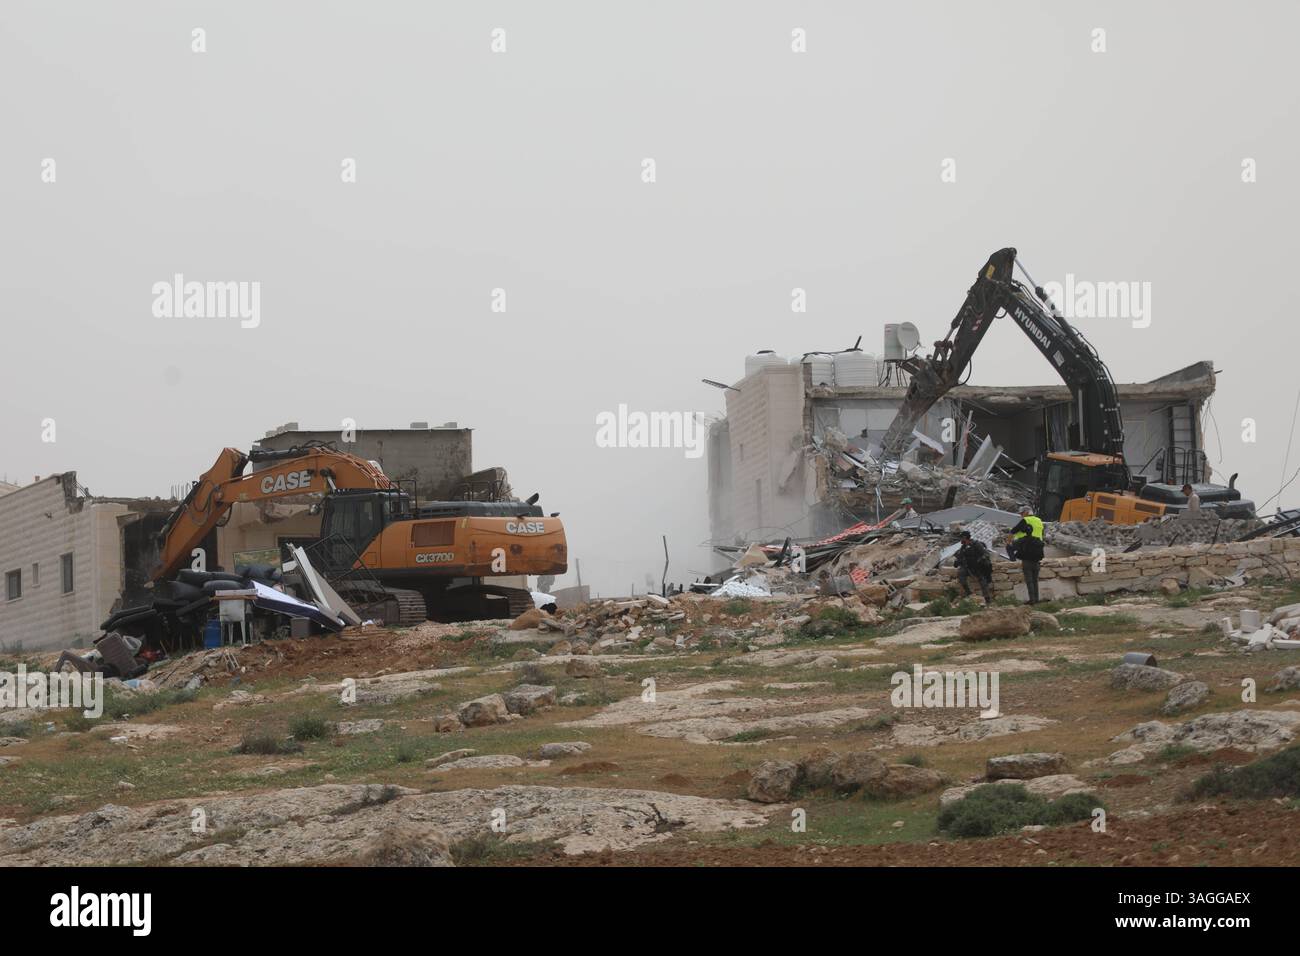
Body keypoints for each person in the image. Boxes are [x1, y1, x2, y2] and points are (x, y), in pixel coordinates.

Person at [1007, 506, 1045, 604]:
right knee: (1035, 580)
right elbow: (1042, 534)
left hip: (1026, 550)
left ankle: (1032, 600)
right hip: (1037, 550)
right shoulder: (1039, 520)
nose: (1021, 515)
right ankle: (1036, 599)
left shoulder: (1026, 520)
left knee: (1029, 580)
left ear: (1026, 512)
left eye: (1021, 513)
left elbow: (1012, 531)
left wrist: (1008, 542)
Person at [953, 530, 993, 602]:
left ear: (965, 537)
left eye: (961, 538)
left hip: (978, 567)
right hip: (968, 567)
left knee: (982, 580)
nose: (960, 540)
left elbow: (986, 554)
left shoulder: (976, 544)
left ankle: (987, 598)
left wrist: (980, 560)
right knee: (961, 573)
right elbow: (960, 556)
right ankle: (968, 592)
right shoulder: (963, 547)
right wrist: (957, 562)